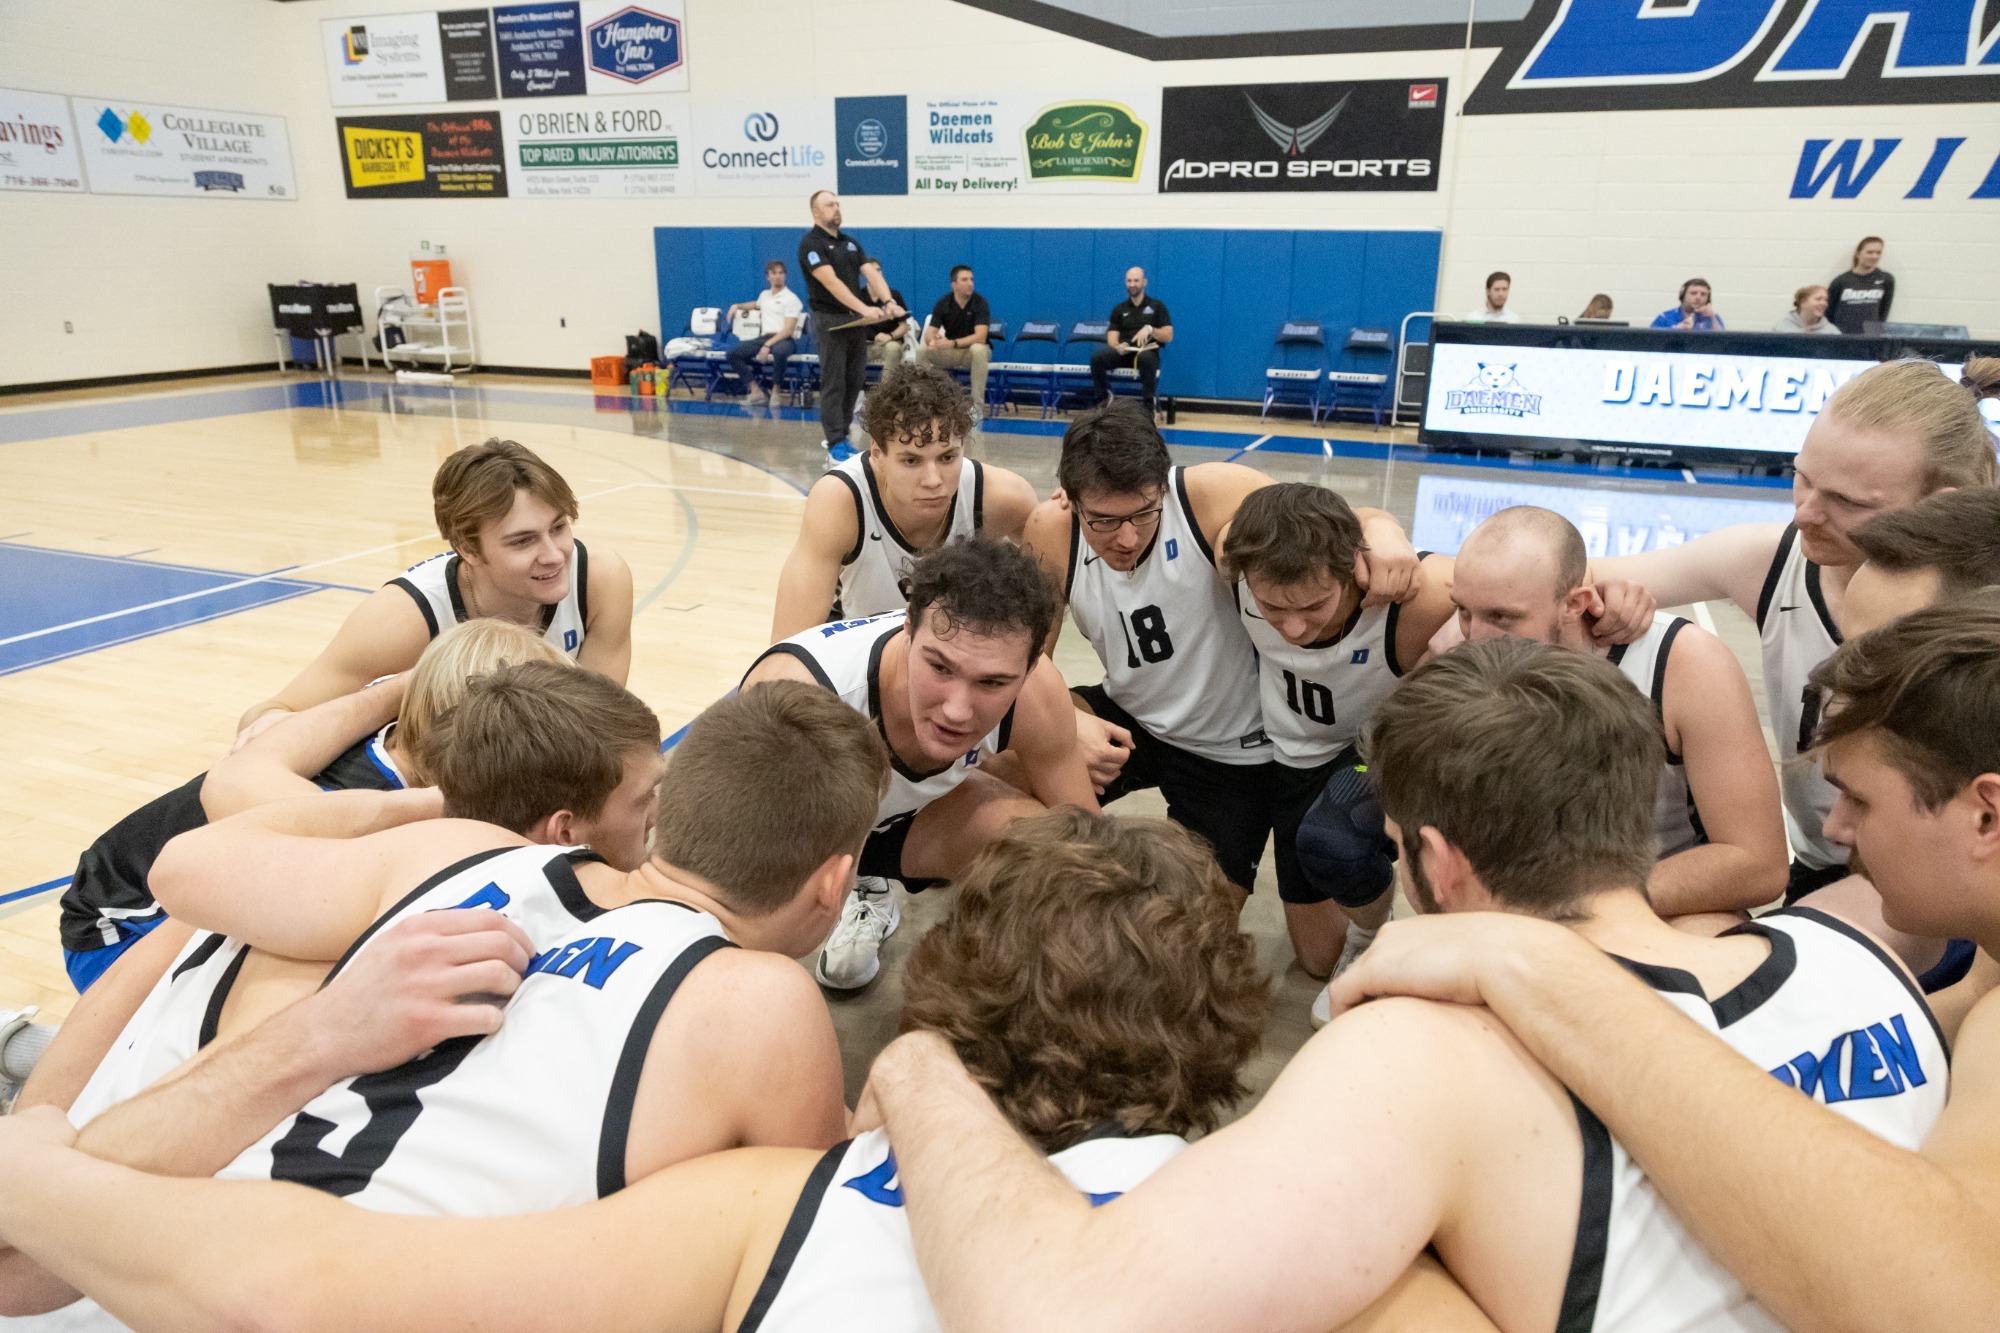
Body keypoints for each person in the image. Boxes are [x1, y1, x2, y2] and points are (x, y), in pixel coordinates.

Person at [0, 813, 1505, 1332]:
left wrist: (35, 1166)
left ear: (950, 980)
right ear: (1227, 1030)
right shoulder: (1341, 1253)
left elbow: (297, 1287)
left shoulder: (761, 1203)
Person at [853, 639, 1946, 1333]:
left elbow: (1059, 1313)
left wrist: (916, 1068)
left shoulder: (1420, 1064)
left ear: (1438, 861)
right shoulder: (1859, 961)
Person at [5, 678, 877, 1323]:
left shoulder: (456, 850)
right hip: (281, 1284)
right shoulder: (760, 1003)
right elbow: (812, 1254)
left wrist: (422, 809)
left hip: (137, 1259)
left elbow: (188, 866)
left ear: (670, 811)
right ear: (833, 884)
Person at [1322, 594, 2000, 1332]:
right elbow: (1958, 1024)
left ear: (1986, 814)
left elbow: (1952, 1296)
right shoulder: (1894, 969)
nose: (1835, 829)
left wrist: (1531, 962)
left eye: (1860, 800)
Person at [1590, 358, 1997, 903]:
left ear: (1939, 508)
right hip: (1820, 867)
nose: (1805, 513)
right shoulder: (1773, 561)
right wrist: (1613, 595)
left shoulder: (1979, 611)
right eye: (1802, 477)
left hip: (1943, 882)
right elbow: (1562, 579)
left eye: (1848, 502)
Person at [57, 620, 568, 995]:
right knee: (320, 948)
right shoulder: (353, 800)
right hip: (117, 929)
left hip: (143, 891)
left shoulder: (392, 738)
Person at [744, 535, 1097, 988]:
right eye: (940, 668)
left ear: (1029, 669)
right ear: (907, 632)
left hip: (903, 820)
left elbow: (1088, 843)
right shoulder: (798, 697)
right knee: (761, 950)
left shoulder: (1038, 692)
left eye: (991, 683)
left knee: (1053, 853)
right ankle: (864, 888)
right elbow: (716, 883)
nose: (957, 710)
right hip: (798, 835)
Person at [1450, 507, 1789, 924]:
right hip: (1522, 898)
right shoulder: (1461, 665)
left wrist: (1573, 906)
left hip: (1657, 901)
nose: (1475, 638)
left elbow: (1757, 863)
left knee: (1711, 936)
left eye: (1502, 617)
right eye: (1463, 611)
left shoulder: (1685, 665)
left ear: (1575, 604)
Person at [234, 437, 634, 746]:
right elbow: (270, 713)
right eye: (523, 541)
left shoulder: (600, 580)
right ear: (468, 548)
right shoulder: (401, 619)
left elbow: (599, 727)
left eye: (559, 528)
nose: (554, 555)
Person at [1217, 482, 1457, 986]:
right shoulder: (1232, 561)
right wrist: (1377, 519)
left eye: (1314, 606)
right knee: (1318, 961)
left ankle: (1371, 935)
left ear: (1353, 568)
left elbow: (1536, 583)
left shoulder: (1420, 595)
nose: (1293, 628)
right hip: (1299, 752)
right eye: (1272, 608)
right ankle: (1369, 905)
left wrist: (1615, 590)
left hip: (1378, 750)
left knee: (1333, 844)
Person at [770, 364, 1037, 641]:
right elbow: (787, 643)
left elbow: (1053, 546)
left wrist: (1062, 509)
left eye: (947, 457)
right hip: (859, 648)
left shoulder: (1001, 496)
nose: (933, 480)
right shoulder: (840, 500)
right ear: (877, 455)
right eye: (911, 460)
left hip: (956, 653)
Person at [797, 189, 906, 461]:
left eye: (837, 203)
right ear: (815, 212)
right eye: (829, 204)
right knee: (834, 382)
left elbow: (871, 274)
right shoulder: (811, 244)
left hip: (854, 322)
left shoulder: (850, 243)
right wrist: (864, 308)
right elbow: (830, 282)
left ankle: (843, 437)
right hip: (829, 320)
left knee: (853, 380)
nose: (836, 208)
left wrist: (889, 301)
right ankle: (834, 442)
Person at [1090, 267, 1171, 414]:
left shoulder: (1157, 306)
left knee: (1146, 358)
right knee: (1097, 358)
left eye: (1136, 280)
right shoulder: (1119, 309)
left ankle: (1148, 408)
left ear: (1144, 282)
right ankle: (1104, 402)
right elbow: (1112, 338)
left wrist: (1150, 329)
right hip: (1125, 353)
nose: (1132, 284)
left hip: (1147, 353)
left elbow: (1168, 335)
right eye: (1129, 281)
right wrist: (1118, 346)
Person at [916, 263, 993, 417]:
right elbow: (929, 333)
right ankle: (924, 402)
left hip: (971, 353)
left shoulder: (980, 303)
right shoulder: (943, 303)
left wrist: (953, 343)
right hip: (951, 352)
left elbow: (981, 336)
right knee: (922, 350)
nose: (970, 283)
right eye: (965, 280)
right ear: (954, 285)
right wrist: (933, 340)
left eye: (971, 279)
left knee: (978, 349)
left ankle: (976, 407)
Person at [723, 261, 803, 405]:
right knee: (733, 355)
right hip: (764, 337)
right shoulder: (765, 295)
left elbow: (788, 330)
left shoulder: (791, 299)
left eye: (781, 273)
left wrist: (767, 345)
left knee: (780, 352)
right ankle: (755, 391)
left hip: (784, 339)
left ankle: (776, 392)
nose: (778, 276)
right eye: (774, 273)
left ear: (785, 276)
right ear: (768, 277)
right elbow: (755, 304)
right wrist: (737, 306)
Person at [1826, 235, 1893, 335]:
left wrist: (1875, 333)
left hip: (1871, 335)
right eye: (1870, 252)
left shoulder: (1886, 279)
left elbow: (1883, 312)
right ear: (1858, 254)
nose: (1874, 256)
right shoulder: (1841, 281)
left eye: (1878, 253)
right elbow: (1829, 311)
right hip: (1843, 335)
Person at [1651, 277, 1724, 330]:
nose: (1698, 297)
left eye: (1703, 294)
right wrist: (1677, 330)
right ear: (1682, 296)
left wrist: (1712, 318)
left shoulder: (1713, 317)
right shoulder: (1665, 318)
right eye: (1693, 293)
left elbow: (1723, 343)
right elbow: (1651, 342)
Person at [1773, 283, 1841, 335]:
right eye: (1818, 299)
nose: (1823, 303)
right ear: (1803, 302)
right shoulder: (1780, 329)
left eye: (1826, 300)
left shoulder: (1832, 333)